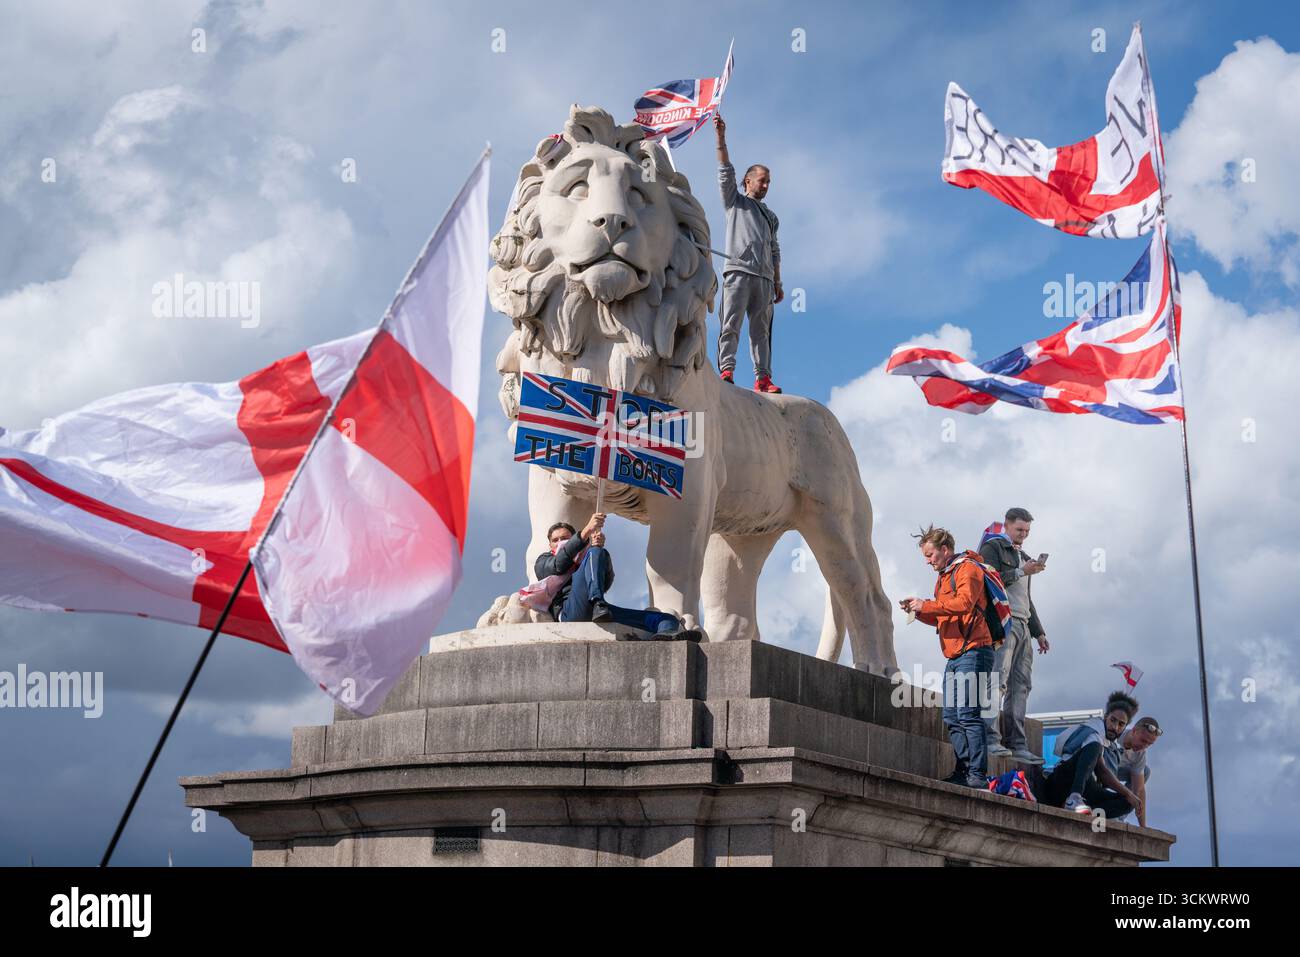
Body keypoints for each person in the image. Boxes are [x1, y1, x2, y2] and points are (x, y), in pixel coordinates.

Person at [900, 526, 996, 789]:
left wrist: (926, 604)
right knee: (951, 716)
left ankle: (977, 774)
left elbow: (964, 603)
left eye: (930, 555)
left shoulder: (968, 569)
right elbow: (946, 615)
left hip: (975, 650)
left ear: (945, 550)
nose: (928, 561)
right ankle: (963, 771)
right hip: (955, 653)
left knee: (968, 713)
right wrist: (918, 611)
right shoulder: (944, 577)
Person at [533, 512, 700, 641]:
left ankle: (667, 634)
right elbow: (558, 565)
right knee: (593, 553)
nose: (560, 541)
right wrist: (584, 534)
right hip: (571, 612)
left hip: (598, 611)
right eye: (556, 539)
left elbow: (606, 583)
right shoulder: (544, 560)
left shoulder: (587, 556)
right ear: (550, 544)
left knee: (663, 618)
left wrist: (599, 552)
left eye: (565, 538)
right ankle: (598, 602)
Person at [713, 113, 784, 394]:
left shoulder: (771, 216)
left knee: (761, 333)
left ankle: (763, 378)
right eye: (762, 181)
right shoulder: (735, 202)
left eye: (769, 182)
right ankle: (727, 369)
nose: (766, 186)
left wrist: (777, 281)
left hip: (764, 279)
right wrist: (720, 137)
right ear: (748, 181)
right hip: (738, 271)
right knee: (730, 323)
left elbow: (774, 249)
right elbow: (724, 170)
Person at [979, 508, 1049, 763]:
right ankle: (990, 738)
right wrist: (1022, 571)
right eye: (1019, 530)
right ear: (1007, 526)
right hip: (1002, 623)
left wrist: (1038, 632)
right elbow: (989, 581)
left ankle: (1017, 743)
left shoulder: (1025, 556)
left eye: (1027, 531)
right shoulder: (993, 548)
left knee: (1021, 685)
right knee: (997, 681)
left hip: (1022, 624)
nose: (1023, 535)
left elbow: (1027, 600)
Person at [1041, 691, 1143, 819]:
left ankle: (1088, 813)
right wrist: (1128, 793)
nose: (1115, 727)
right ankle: (1074, 798)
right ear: (1106, 717)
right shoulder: (1093, 732)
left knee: (1129, 803)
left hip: (1087, 788)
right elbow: (1102, 772)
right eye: (1113, 720)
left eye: (1121, 724)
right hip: (1061, 783)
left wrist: (1130, 796)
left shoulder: (1110, 743)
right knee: (1095, 747)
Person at [1117, 716, 1162, 827]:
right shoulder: (1115, 735)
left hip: (1115, 772)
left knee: (1145, 771)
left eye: (1149, 744)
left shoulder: (1140, 753)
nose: (1144, 746)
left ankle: (1118, 816)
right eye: (1143, 740)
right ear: (1134, 731)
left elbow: (1139, 790)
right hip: (1099, 769)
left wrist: (1143, 827)